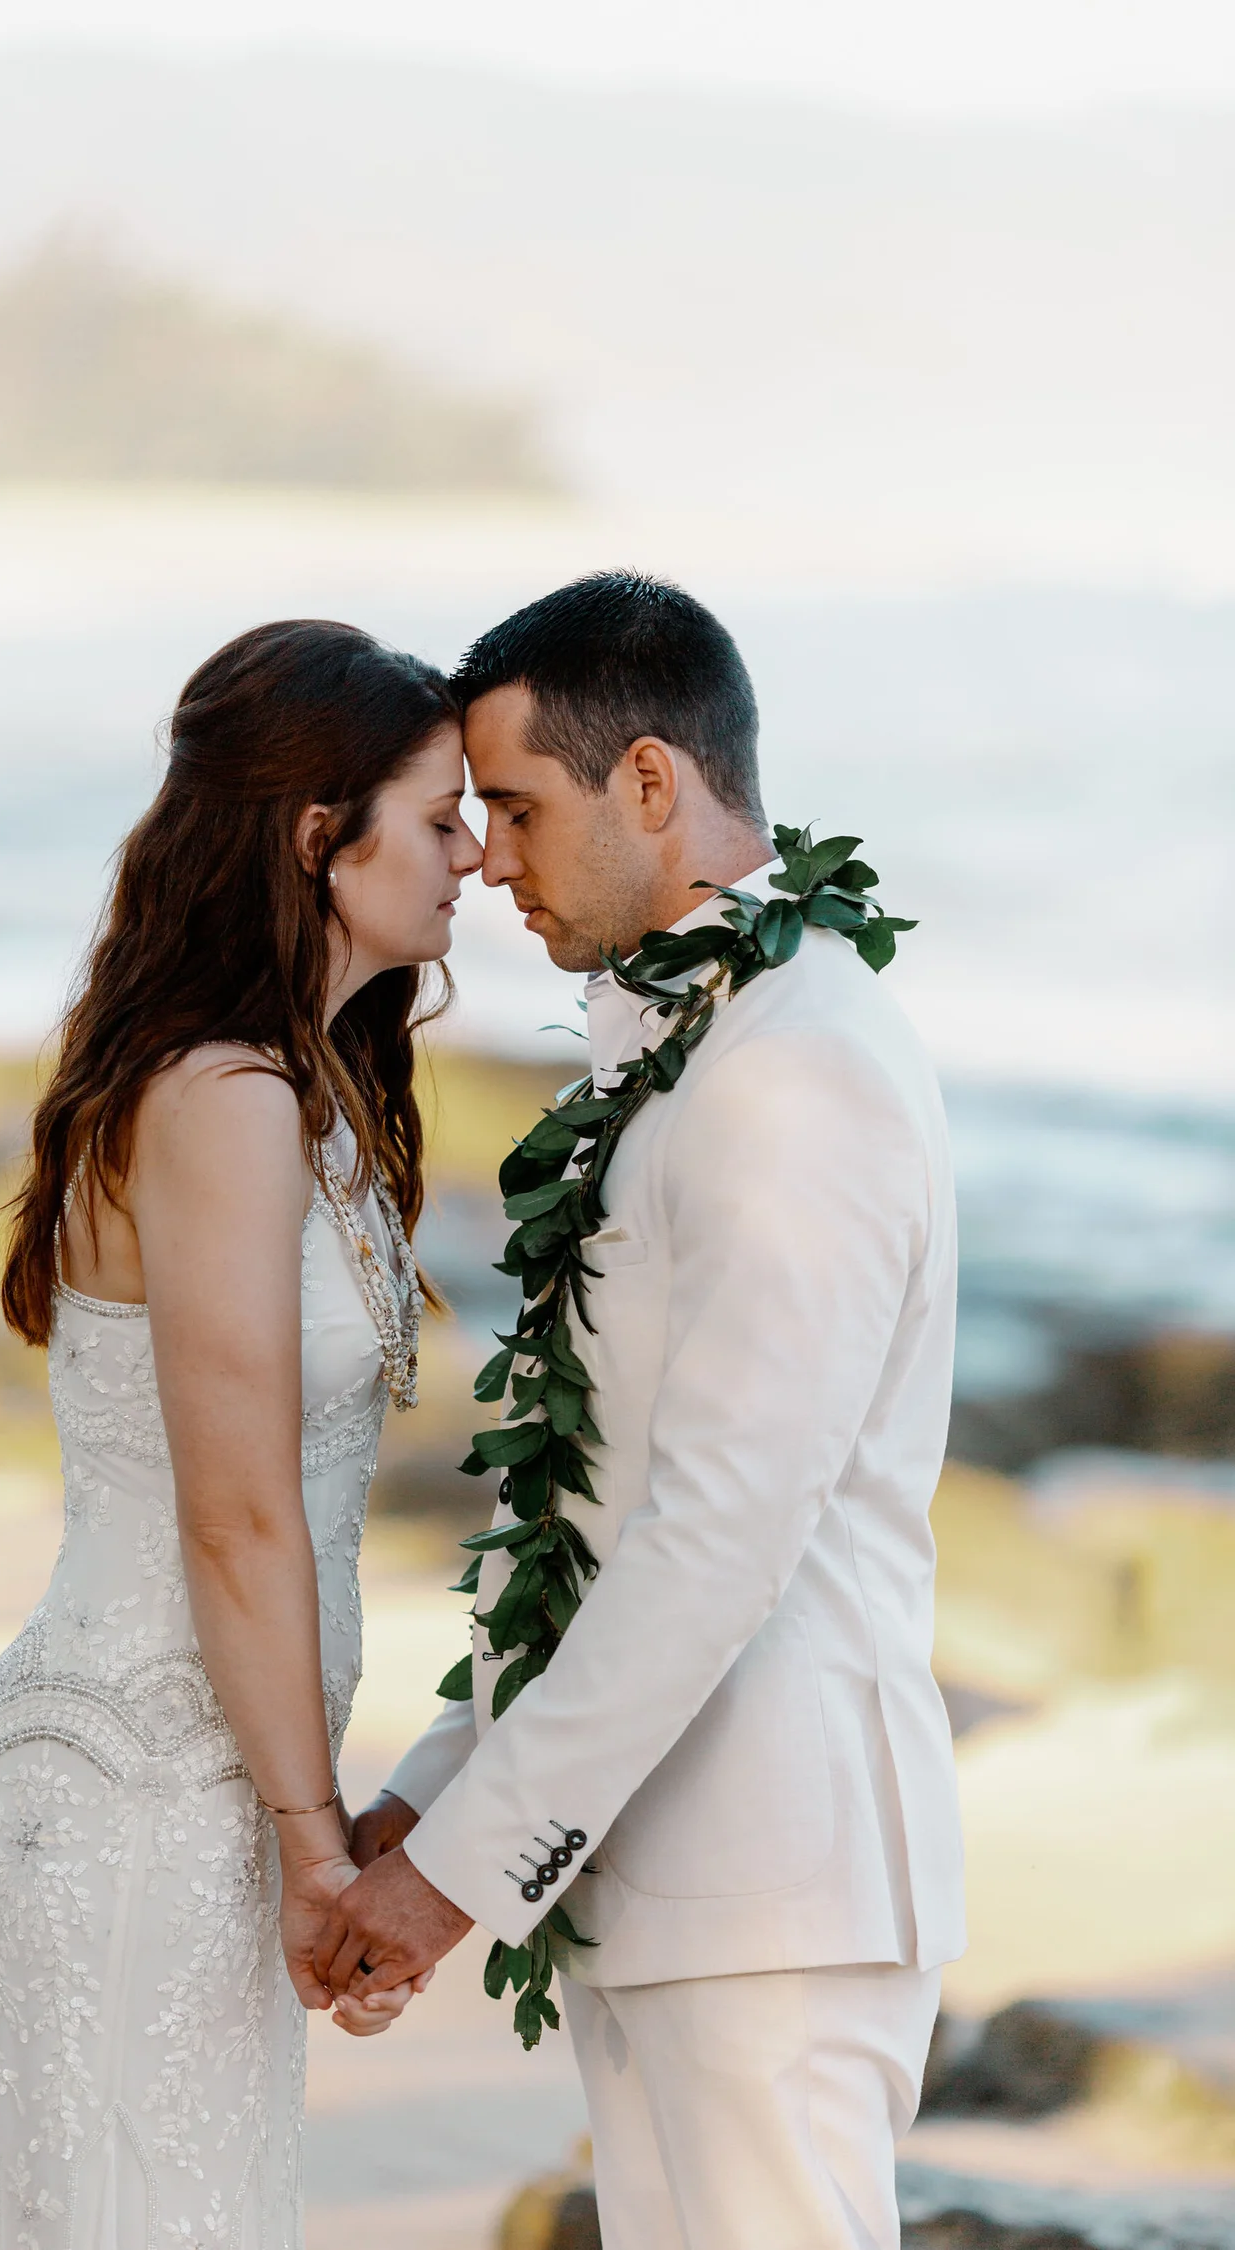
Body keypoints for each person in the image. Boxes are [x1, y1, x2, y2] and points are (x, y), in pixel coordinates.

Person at [314, 572, 967, 2250]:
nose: (495, 862)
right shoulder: (696, 1046)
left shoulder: (794, 1066)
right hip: (669, 1881)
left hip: (774, 1883)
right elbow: (586, 1530)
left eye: (521, 809)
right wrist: (428, 1793)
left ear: (655, 783)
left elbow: (716, 1540)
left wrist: (455, 1870)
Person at [0, 619, 483, 2249]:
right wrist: (321, 1851)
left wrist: (308, 1814)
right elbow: (236, 1517)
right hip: (127, 1777)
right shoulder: (221, 1094)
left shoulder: (305, 1084)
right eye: (437, 813)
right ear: (321, 835)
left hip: (228, 1778)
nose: (471, 852)